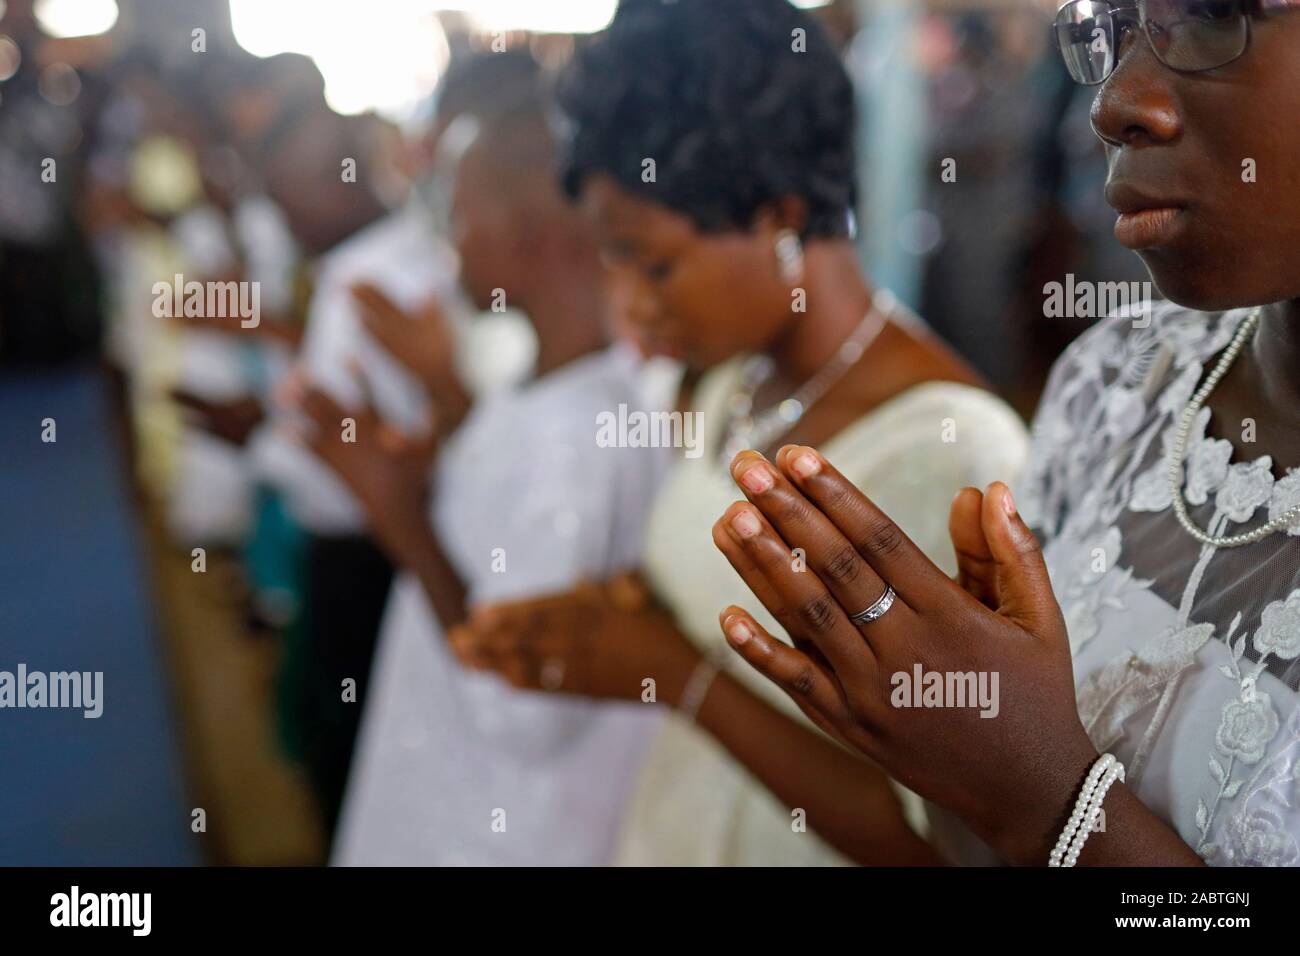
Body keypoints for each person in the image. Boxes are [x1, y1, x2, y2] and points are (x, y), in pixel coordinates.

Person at [699, 0, 1300, 866]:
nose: (1110, 103)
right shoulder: (1118, 382)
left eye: (1207, 12)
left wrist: (1040, 795)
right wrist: (952, 747)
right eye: (1113, 26)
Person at [452, 0, 1026, 866]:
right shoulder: (734, 379)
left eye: (654, 263)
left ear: (782, 217)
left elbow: (949, 840)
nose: (635, 306)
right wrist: (608, 619)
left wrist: (677, 678)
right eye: (614, 262)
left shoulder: (954, 453)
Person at [297, 86, 672, 866]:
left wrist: (402, 522)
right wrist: (433, 450)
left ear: (532, 239)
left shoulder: (583, 438)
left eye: (461, 216)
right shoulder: (537, 384)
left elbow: (522, 709)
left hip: (503, 827)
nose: (450, 245)